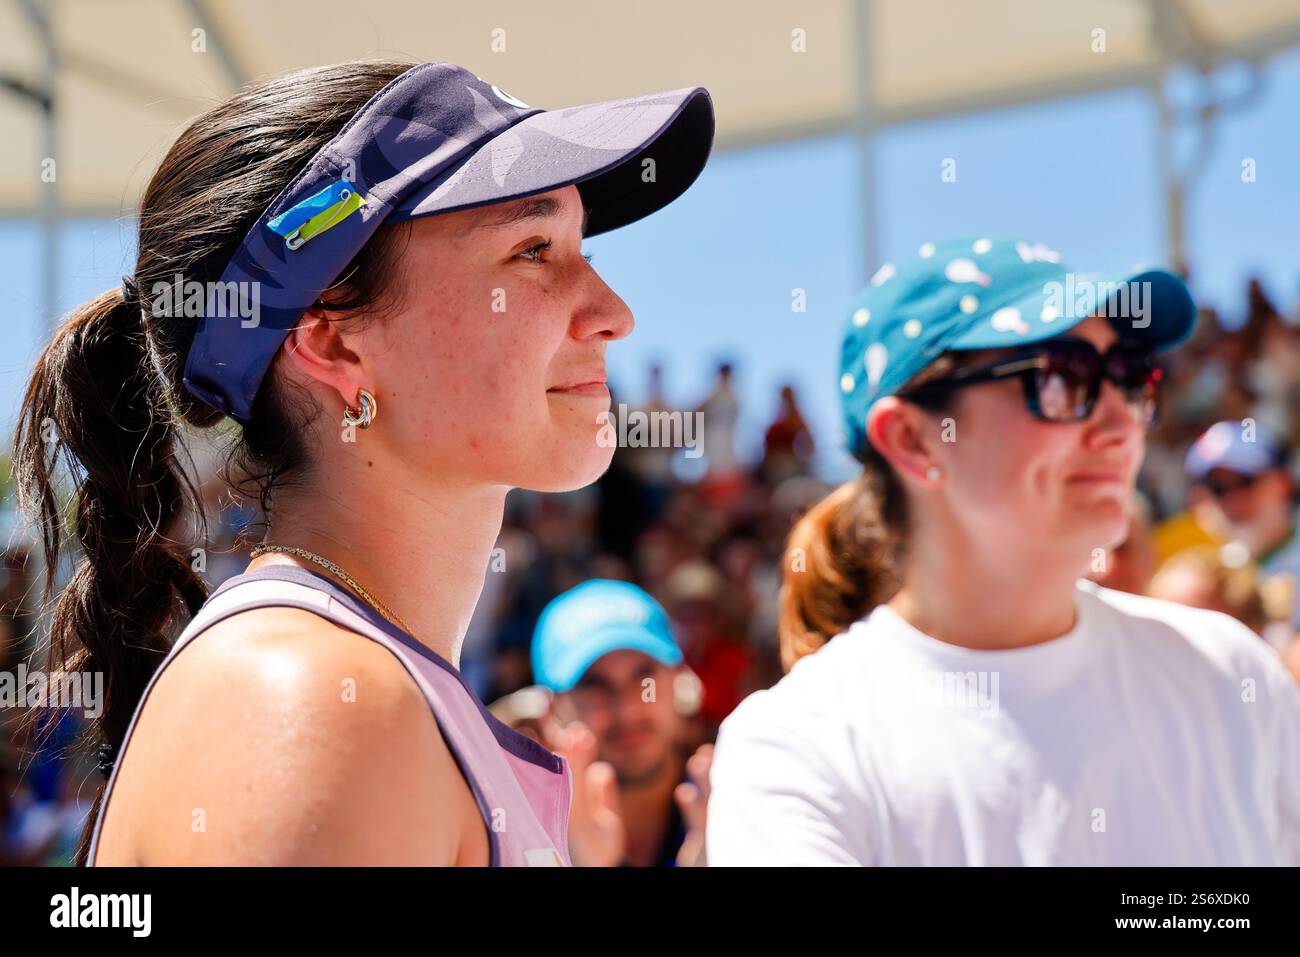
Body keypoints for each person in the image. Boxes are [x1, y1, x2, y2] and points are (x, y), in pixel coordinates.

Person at [12, 60, 714, 866]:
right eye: (532, 248)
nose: (613, 314)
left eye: (578, 247)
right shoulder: (311, 699)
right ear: (333, 340)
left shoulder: (344, 684)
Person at [706, 237, 1300, 865]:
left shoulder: (1230, 672)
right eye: (1063, 378)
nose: (1121, 423)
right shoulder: (799, 747)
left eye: (1130, 377)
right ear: (911, 439)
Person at [531, 580, 710, 866]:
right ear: (552, 712)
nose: (626, 710)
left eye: (643, 678)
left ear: (678, 679)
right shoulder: (517, 837)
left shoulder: (737, 801)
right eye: (595, 686)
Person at [1183, 420, 1300, 629]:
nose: (1232, 499)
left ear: (1283, 483)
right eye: (1217, 487)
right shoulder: (1213, 575)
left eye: (1244, 481)